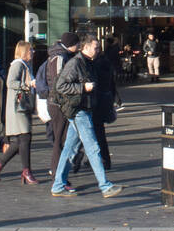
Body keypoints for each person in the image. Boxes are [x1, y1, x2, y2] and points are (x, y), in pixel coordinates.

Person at [50, 34, 123, 198]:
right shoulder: (76, 63)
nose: (98, 50)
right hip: (79, 110)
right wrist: (83, 88)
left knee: (71, 148)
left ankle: (58, 185)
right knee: (92, 147)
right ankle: (105, 186)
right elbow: (61, 86)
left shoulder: (88, 63)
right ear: (86, 47)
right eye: (95, 47)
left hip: (85, 109)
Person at [0, 41, 38, 182]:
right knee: (25, 137)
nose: (33, 52)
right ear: (24, 52)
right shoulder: (17, 65)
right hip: (18, 108)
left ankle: (0, 163)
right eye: (30, 50)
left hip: (21, 106)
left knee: (20, 140)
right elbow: (10, 82)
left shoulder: (25, 65)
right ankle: (26, 171)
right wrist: (27, 85)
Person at [42, 33, 79, 178]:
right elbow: (59, 82)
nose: (78, 47)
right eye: (77, 44)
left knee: (62, 139)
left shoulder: (58, 56)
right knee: (61, 139)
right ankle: (58, 175)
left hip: (57, 102)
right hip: (58, 103)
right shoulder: (60, 57)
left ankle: (59, 173)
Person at [90, 38, 121, 170]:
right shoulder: (105, 61)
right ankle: (102, 158)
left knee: (96, 131)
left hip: (98, 100)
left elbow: (102, 82)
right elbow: (111, 83)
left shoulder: (96, 64)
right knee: (97, 131)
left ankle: (102, 159)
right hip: (104, 99)